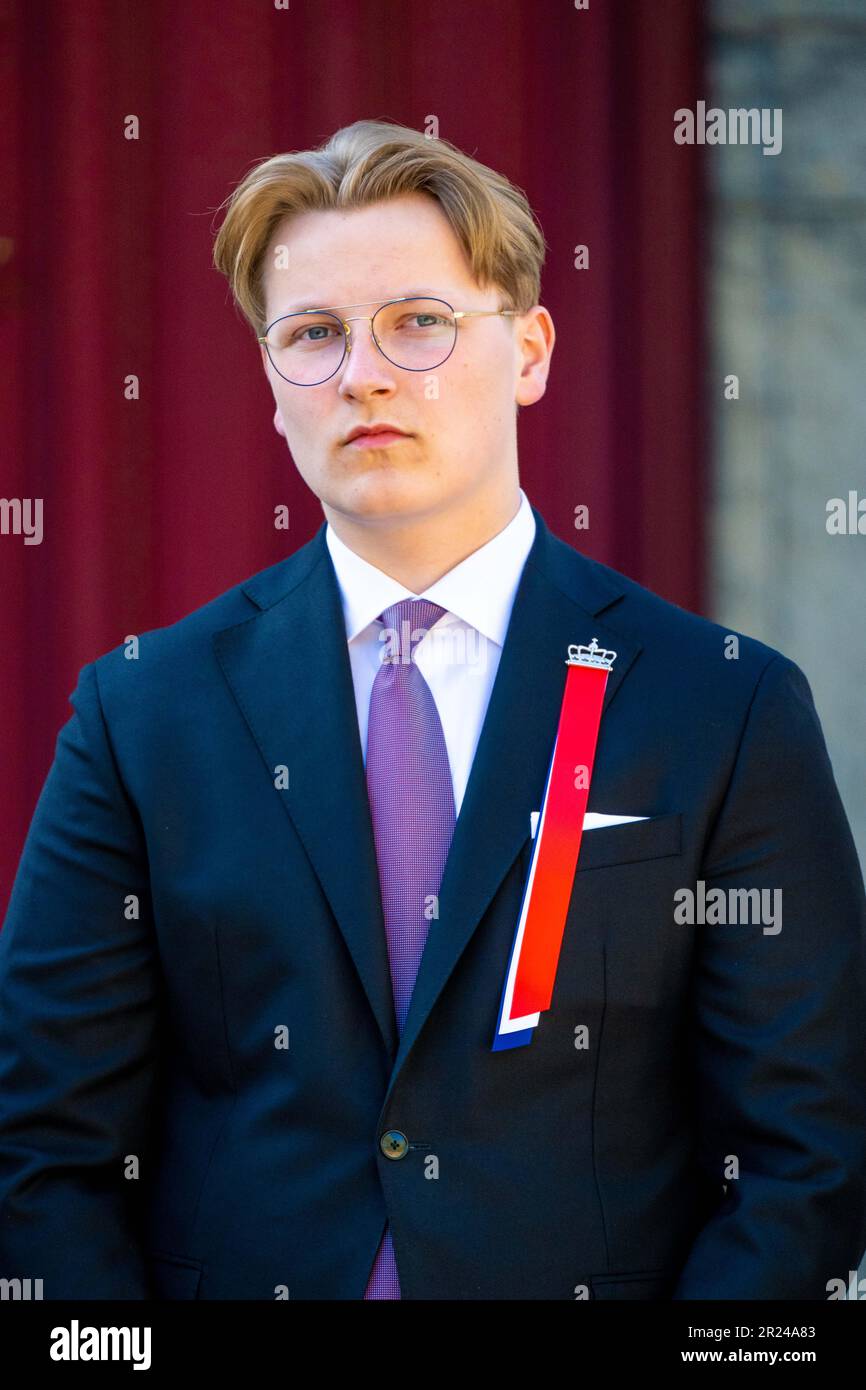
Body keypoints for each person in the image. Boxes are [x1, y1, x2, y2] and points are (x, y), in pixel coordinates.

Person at [1, 119, 864, 1301]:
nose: (360, 373)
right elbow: (40, 1145)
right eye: (311, 335)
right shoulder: (142, 711)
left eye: (417, 321)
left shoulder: (721, 701)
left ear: (528, 352)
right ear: (269, 383)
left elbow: (807, 1151)